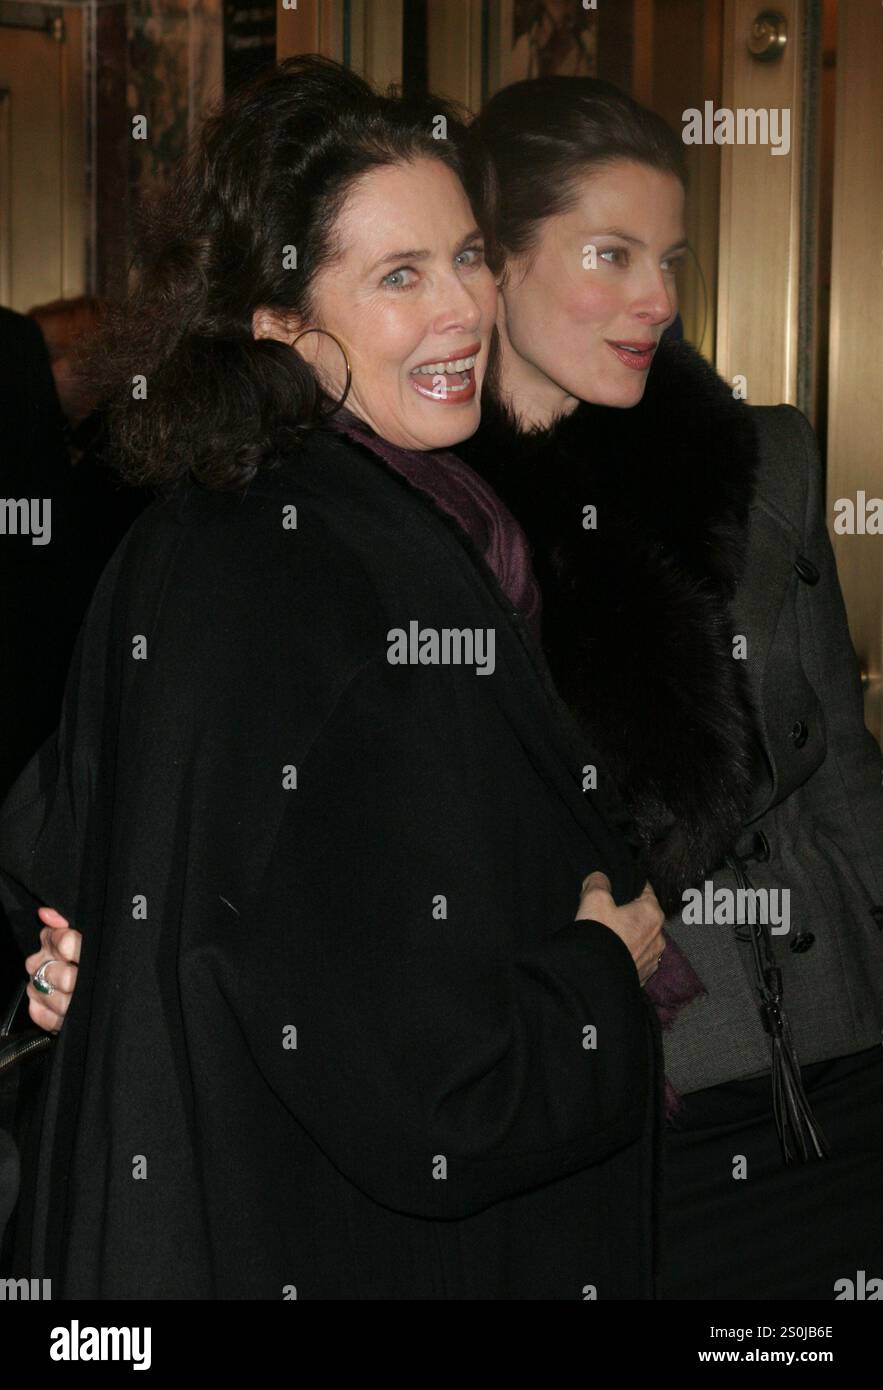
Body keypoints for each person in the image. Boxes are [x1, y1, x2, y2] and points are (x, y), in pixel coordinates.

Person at [0, 57, 666, 1299]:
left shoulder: (202, 529)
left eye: (467, 256)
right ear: (279, 327)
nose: (462, 308)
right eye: (399, 278)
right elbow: (434, 1094)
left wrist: (87, 955)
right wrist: (598, 971)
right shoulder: (349, 581)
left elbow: (66, 844)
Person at [453, 76, 883, 1299]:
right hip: (620, 1086)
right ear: (497, 264)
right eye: (612, 253)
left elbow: (843, 772)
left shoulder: (764, 462)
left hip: (835, 1058)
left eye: (673, 257)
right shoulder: (430, 523)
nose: (660, 299)